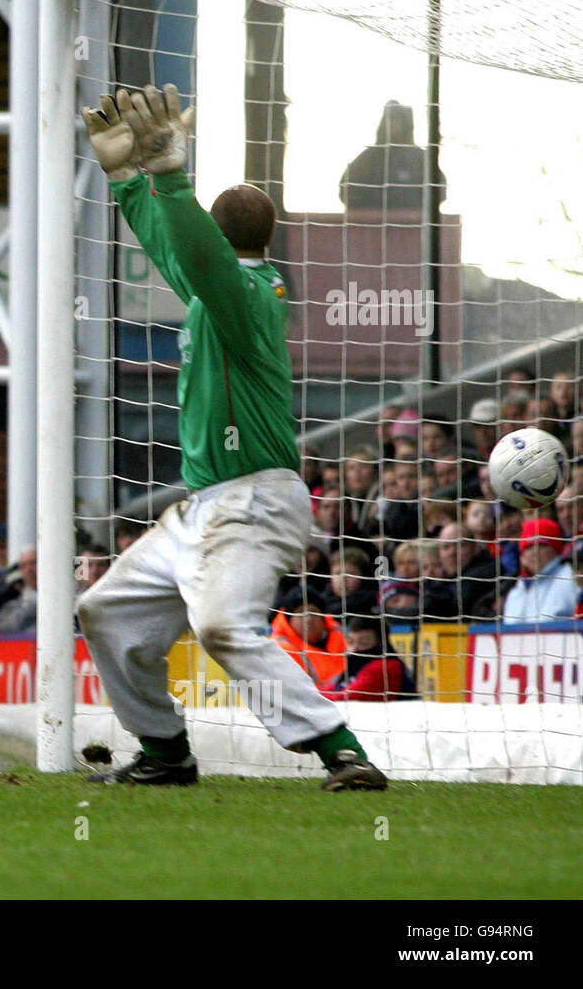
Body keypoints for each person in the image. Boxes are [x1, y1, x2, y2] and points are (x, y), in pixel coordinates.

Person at [78, 83, 385, 790]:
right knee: (105, 612)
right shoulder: (214, 288)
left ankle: (341, 749)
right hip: (202, 508)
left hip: (252, 501)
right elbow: (172, 243)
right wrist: (128, 180)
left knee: (223, 628)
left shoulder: (251, 293)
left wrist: (169, 177)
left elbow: (193, 249)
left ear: (220, 242)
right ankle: (164, 752)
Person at [339, 101, 445, 211]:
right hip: (373, 224)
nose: (393, 125)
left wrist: (414, 205)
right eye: (390, 120)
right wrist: (371, 205)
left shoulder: (420, 159)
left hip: (414, 223)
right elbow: (346, 189)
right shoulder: (368, 159)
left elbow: (439, 188)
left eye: (397, 121)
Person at [320, 618, 416, 702]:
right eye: (350, 642)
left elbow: (350, 697)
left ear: (380, 644)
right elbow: (336, 687)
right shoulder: (357, 664)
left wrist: (314, 699)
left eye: (363, 643)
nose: (354, 649)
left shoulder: (385, 666)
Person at [502, 518, 576, 624]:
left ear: (556, 549)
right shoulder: (517, 589)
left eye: (541, 545)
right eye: (528, 547)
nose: (534, 552)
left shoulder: (571, 578)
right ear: (522, 555)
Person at [270, 590, 347, 689]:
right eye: (300, 613)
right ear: (289, 619)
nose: (308, 619)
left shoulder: (342, 635)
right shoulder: (281, 649)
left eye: (314, 612)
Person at [0, 545, 37, 633]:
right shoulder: (12, 600)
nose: (29, 569)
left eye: (33, 563)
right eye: (24, 566)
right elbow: (3, 627)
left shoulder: (63, 596)